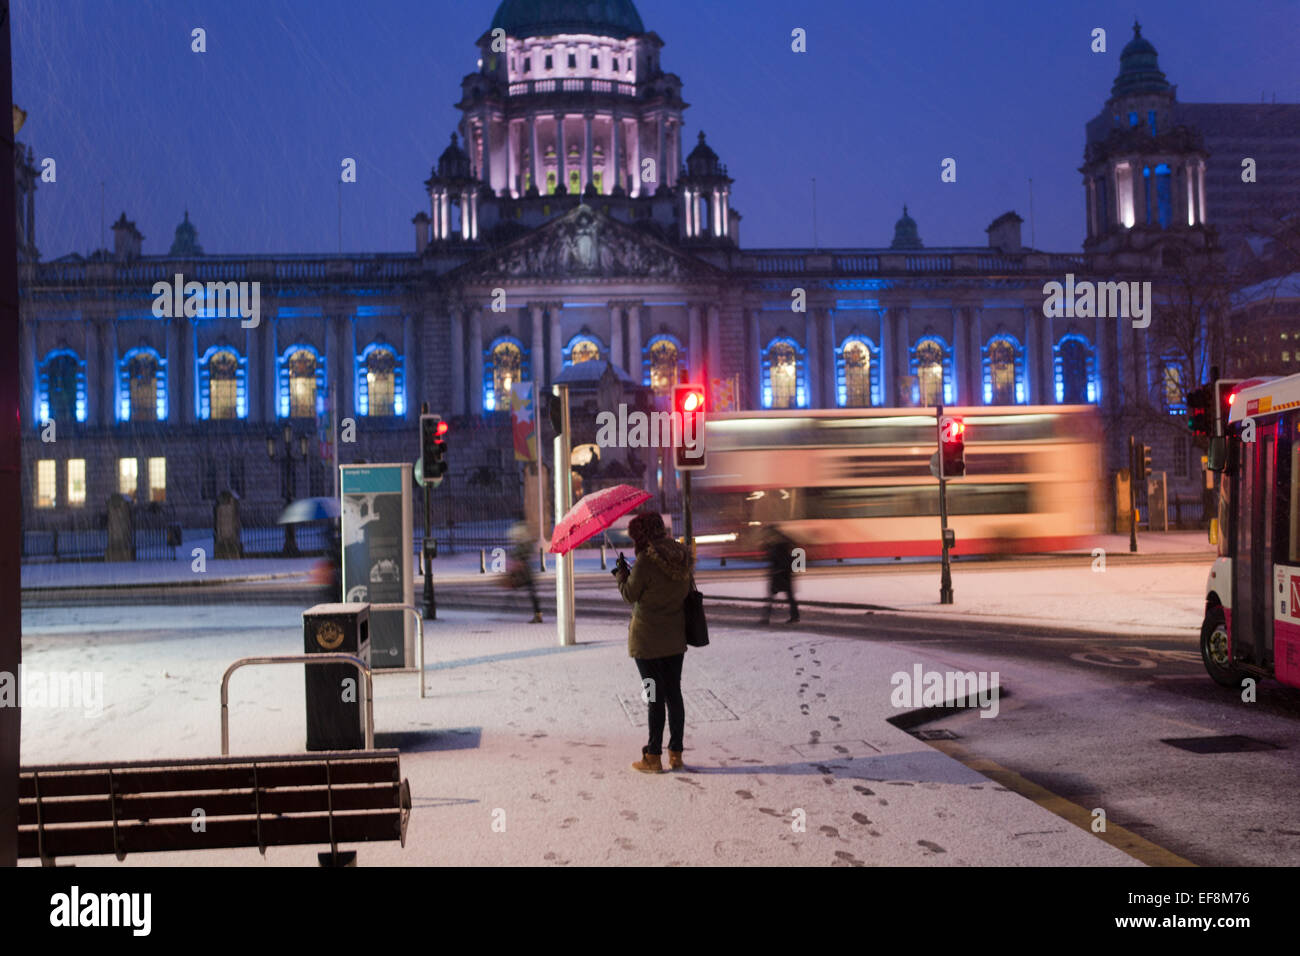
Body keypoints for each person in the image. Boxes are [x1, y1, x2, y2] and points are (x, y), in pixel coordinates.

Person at [614, 511, 694, 774]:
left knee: (653, 696)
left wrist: (621, 574)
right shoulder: (682, 556)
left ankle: (652, 756)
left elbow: (630, 594)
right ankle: (676, 753)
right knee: (674, 694)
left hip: (647, 642)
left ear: (642, 534)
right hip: (674, 639)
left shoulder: (646, 561)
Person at [761, 525, 800, 624]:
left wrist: (775, 571)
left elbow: (775, 561)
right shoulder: (784, 548)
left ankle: (766, 618)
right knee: (790, 597)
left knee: (772, 597)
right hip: (785, 575)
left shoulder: (776, 549)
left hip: (778, 575)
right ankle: (795, 616)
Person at [508, 522, 542, 623]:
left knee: (531, 593)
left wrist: (517, 559)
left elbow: (520, 555)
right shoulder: (525, 544)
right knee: (531, 593)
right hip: (525, 573)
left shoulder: (524, 545)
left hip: (524, 573)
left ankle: (537, 614)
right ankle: (537, 614)